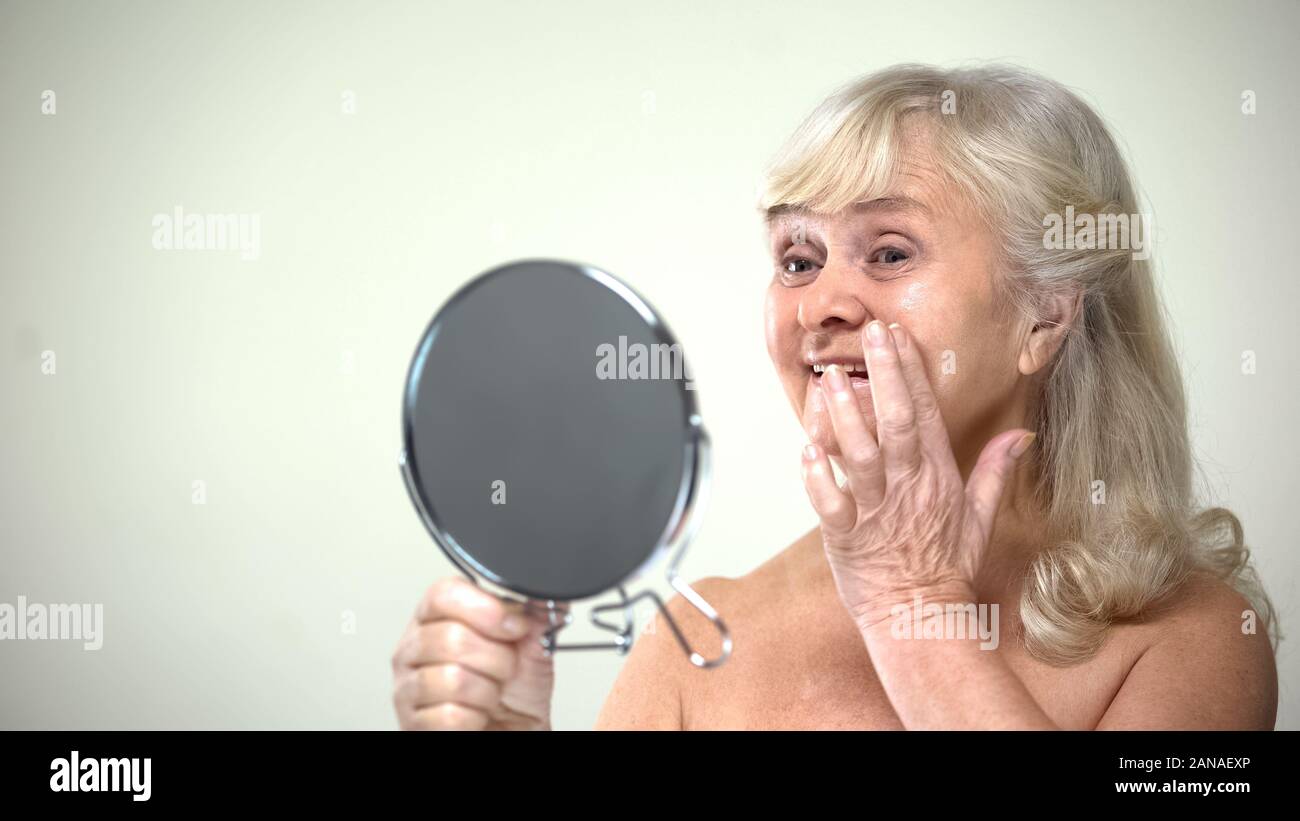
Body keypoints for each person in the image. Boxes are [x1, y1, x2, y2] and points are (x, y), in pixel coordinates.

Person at [391, 63, 1278, 730]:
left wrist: (914, 617)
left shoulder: (1199, 638)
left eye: (889, 252)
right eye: (797, 260)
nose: (821, 305)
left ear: (1044, 316)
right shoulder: (693, 640)